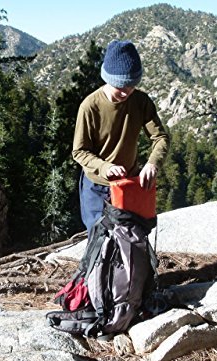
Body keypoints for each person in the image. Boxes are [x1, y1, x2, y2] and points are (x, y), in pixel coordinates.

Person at [72, 40, 170, 234]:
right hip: (97, 187)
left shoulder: (141, 102)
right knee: (99, 239)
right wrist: (105, 167)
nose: (126, 92)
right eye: (120, 86)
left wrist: (152, 163)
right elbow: (79, 151)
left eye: (131, 85)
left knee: (130, 238)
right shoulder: (90, 106)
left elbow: (160, 138)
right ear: (108, 79)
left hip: (129, 184)